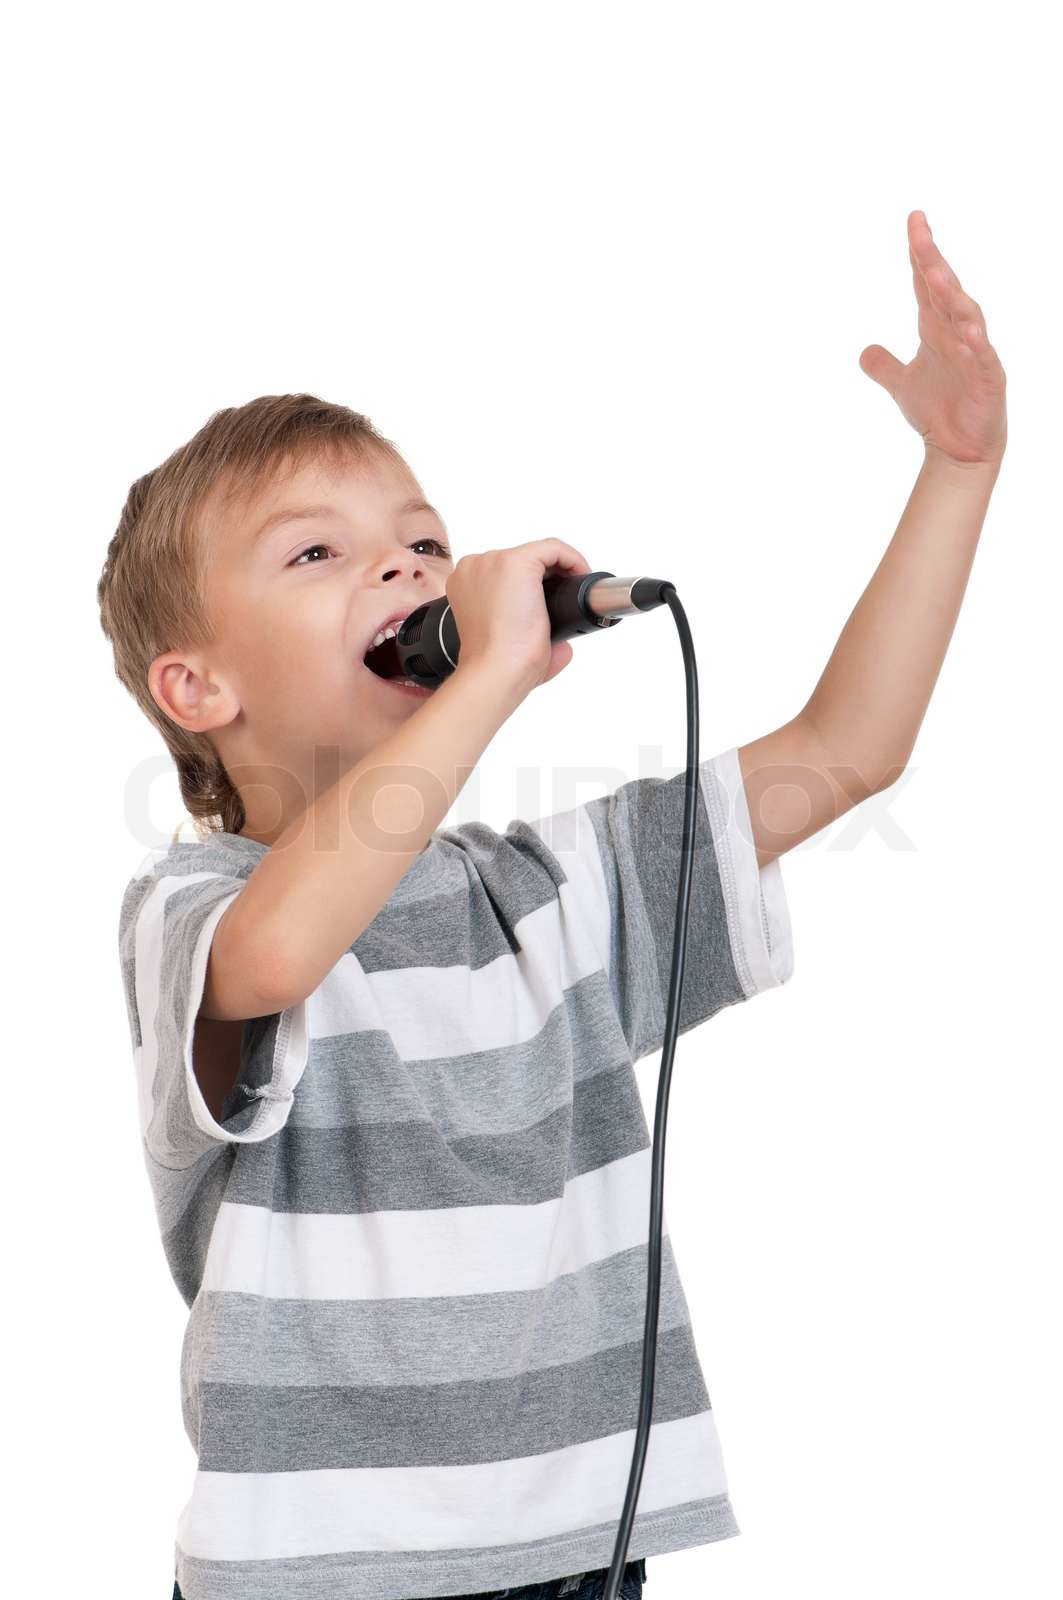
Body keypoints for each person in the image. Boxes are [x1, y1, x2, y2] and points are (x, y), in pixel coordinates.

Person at [99, 209, 1006, 1600]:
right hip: (312, 1570)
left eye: (423, 539)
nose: (406, 568)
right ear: (198, 689)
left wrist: (957, 470)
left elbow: (845, 751)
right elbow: (281, 951)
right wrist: (481, 685)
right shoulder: (192, 909)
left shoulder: (549, 894)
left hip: (582, 1554)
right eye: (316, 556)